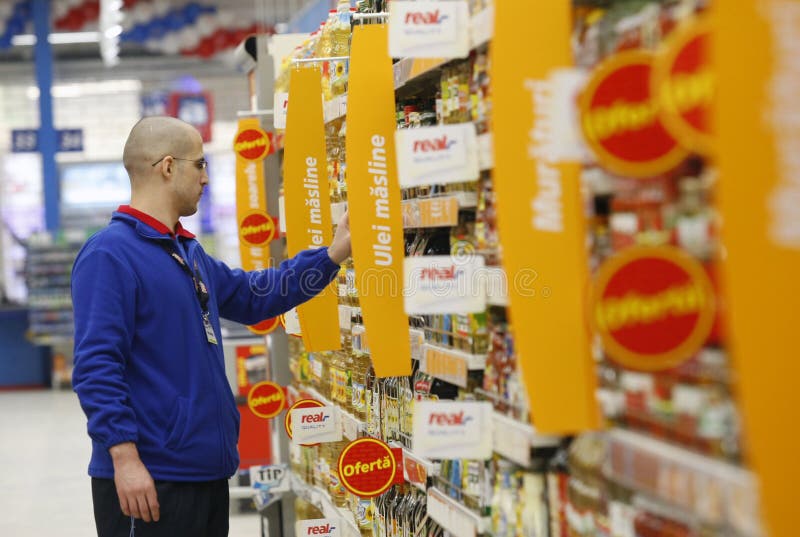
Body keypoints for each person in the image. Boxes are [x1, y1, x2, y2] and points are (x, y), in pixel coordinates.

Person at [71, 116, 351, 537]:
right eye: (200, 164)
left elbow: (257, 296)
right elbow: (96, 367)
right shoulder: (110, 256)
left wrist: (331, 255)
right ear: (168, 167)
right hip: (151, 479)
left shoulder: (187, 253)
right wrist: (124, 459)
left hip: (205, 471)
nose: (206, 178)